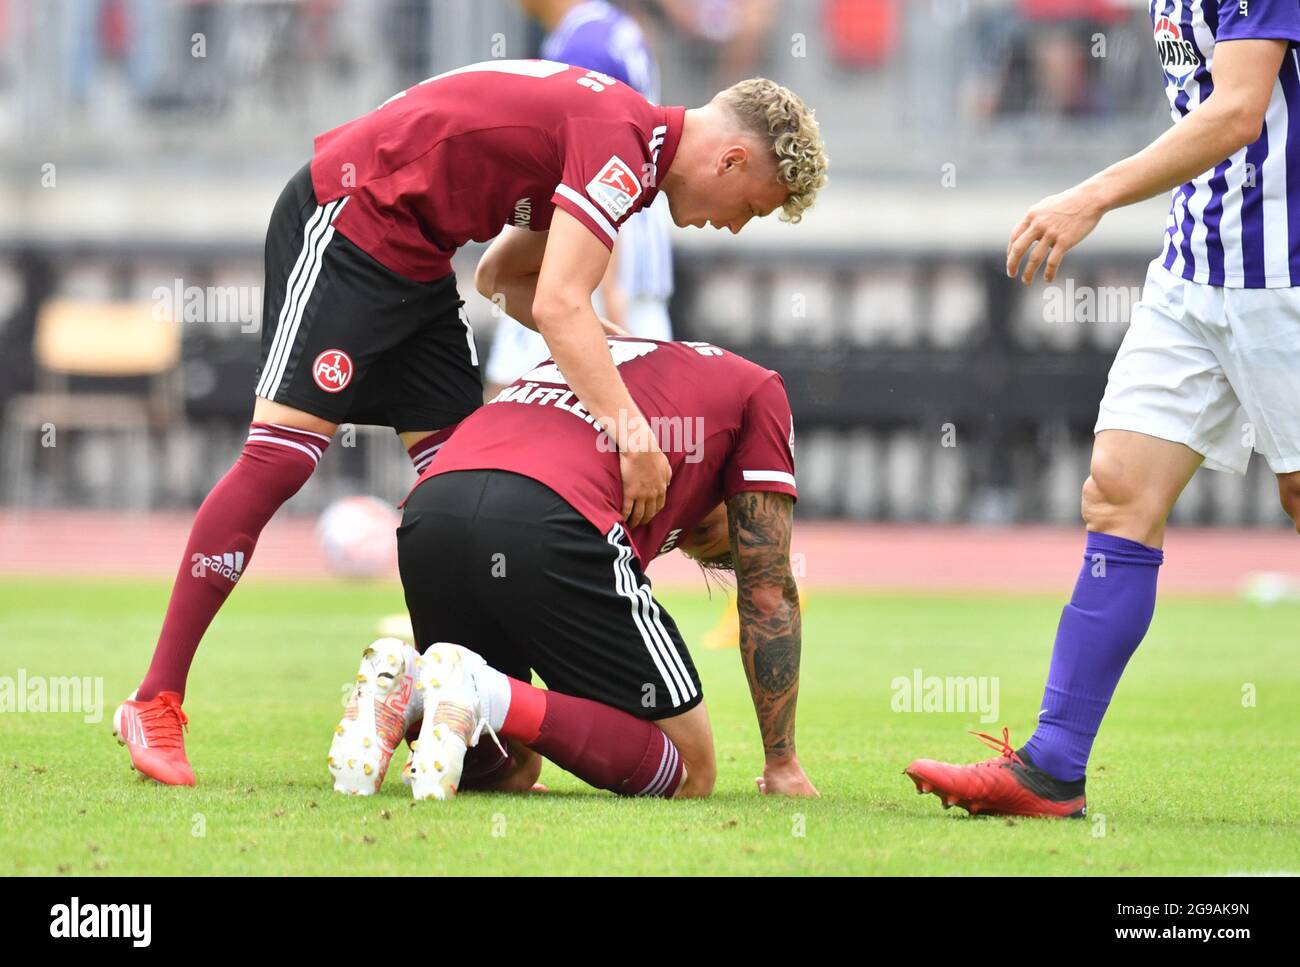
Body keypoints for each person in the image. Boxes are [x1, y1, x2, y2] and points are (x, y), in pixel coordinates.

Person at [114, 60, 827, 787]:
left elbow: (502, 278)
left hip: (420, 260)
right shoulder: (622, 144)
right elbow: (555, 304)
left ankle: (435, 695)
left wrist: (628, 364)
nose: (737, 225)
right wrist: (635, 432)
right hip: (354, 215)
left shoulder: (630, 151)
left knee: (471, 477)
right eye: (752, 207)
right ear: (733, 159)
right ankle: (155, 700)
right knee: (281, 459)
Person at [907, 1, 1300, 818]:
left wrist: (1092, 195)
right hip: (1193, 274)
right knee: (1118, 492)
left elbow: (1238, 109)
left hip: (1286, 281)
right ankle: (1052, 768)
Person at [329, 337, 816, 800]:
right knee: (692, 770)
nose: (685, 535)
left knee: (509, 768)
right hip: (550, 513)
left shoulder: (617, 356)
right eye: (710, 533)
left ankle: (408, 689)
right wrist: (782, 764)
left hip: (433, 508)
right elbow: (767, 591)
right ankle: (481, 689)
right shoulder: (759, 388)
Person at [484, 0, 677, 398]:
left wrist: (609, 293)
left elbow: (601, 171)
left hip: (586, 265)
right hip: (625, 262)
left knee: (509, 414)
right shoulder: (610, 27)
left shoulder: (583, 47)